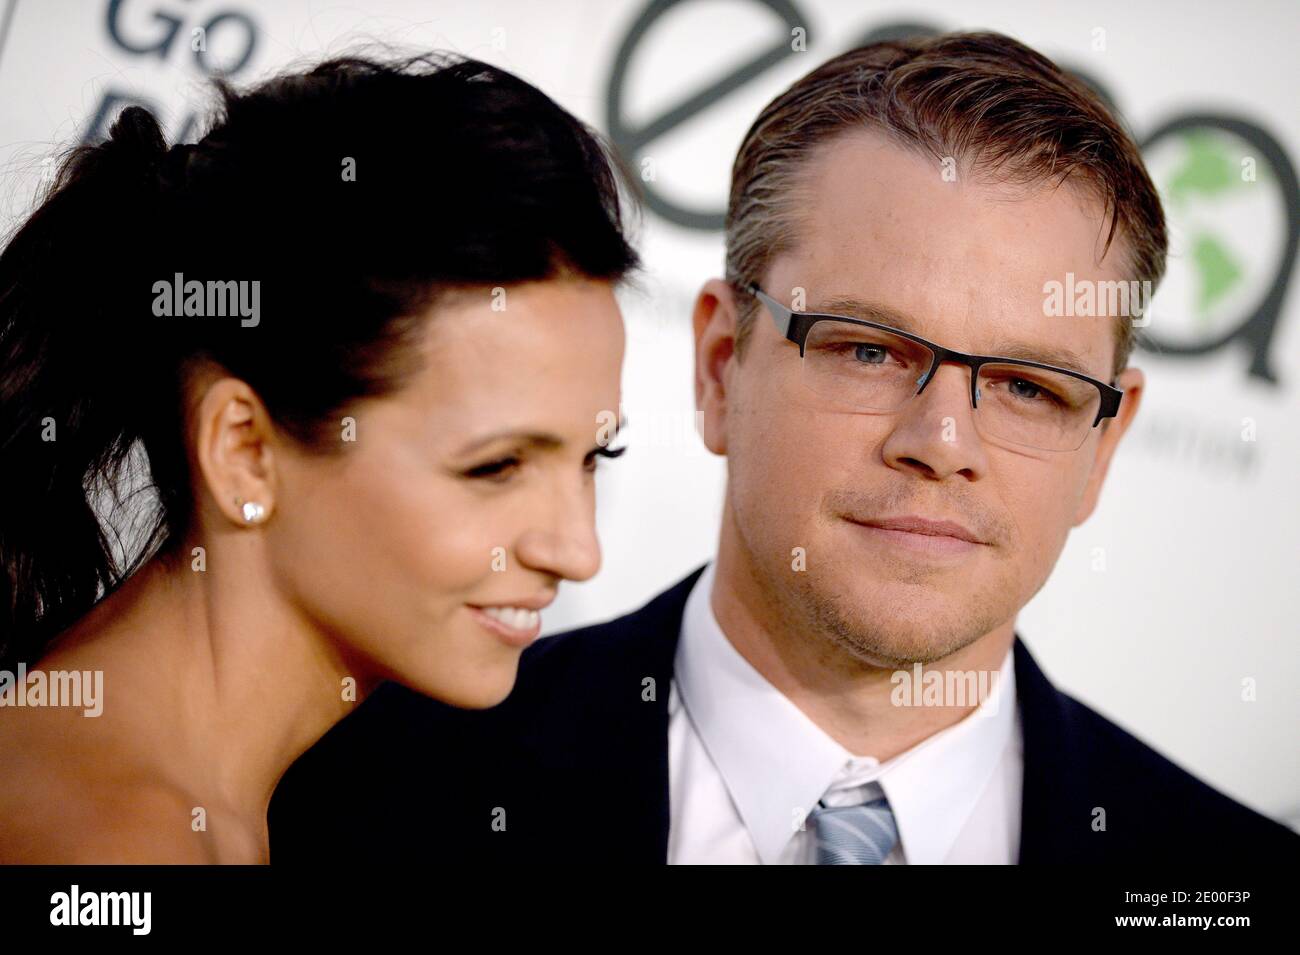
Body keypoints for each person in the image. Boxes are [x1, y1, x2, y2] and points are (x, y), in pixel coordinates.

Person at [269, 32, 1299, 864]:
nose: (940, 443)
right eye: (866, 349)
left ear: (1104, 445)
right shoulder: (348, 793)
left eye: (1028, 386)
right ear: (721, 364)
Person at [0, 52, 639, 862]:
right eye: (496, 466)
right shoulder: (114, 847)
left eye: (593, 456)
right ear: (244, 452)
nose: (577, 551)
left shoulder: (173, 798)